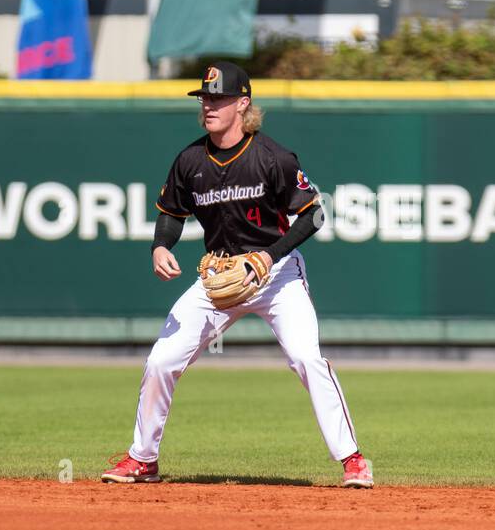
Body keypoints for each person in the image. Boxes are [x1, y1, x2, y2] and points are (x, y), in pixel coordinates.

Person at [102, 62, 372, 488]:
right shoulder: (190, 160)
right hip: (219, 276)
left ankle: (353, 460)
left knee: (306, 358)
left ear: (242, 104)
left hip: (277, 276)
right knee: (161, 360)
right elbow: (171, 214)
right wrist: (160, 246)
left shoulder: (272, 157)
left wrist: (269, 256)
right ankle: (143, 459)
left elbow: (313, 214)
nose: (208, 105)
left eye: (218, 98)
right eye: (204, 98)